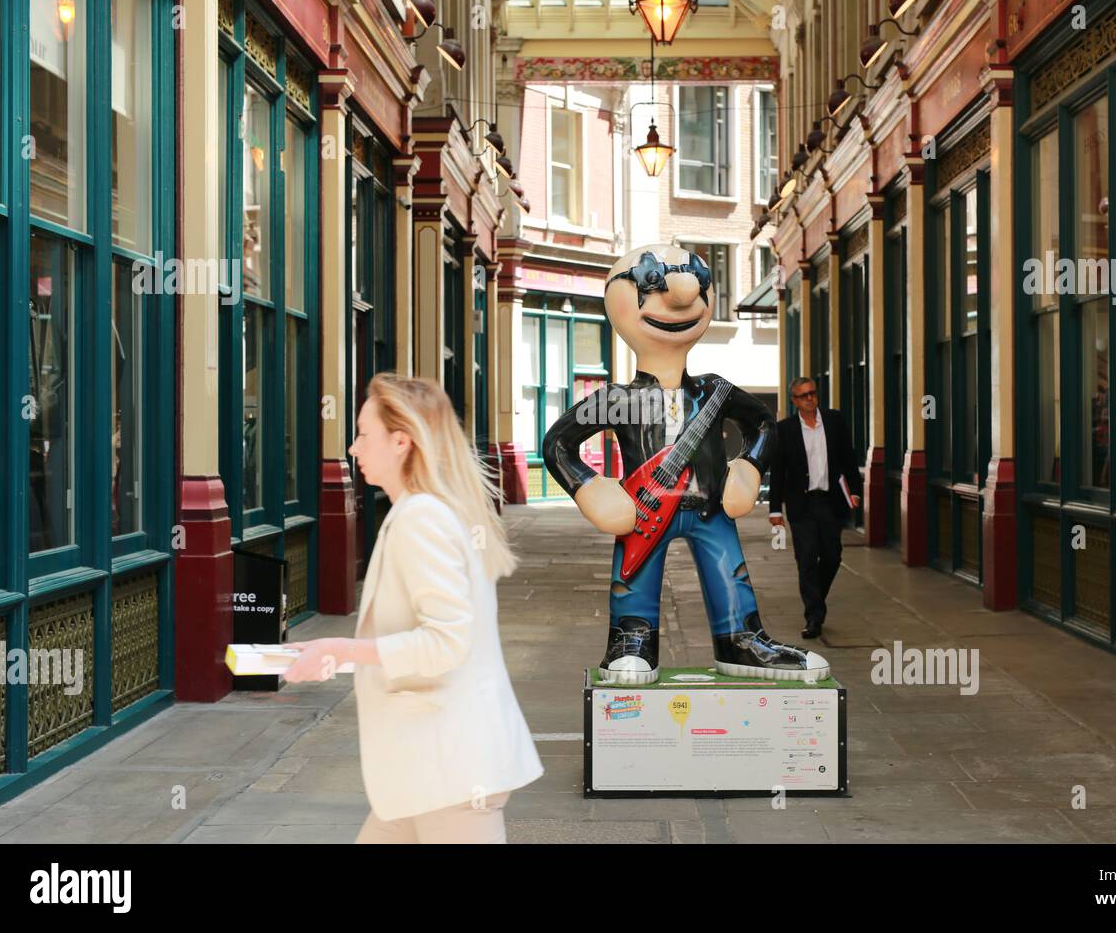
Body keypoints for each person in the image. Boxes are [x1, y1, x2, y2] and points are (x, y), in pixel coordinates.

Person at [543, 244, 829, 684]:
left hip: (709, 506)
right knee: (635, 574)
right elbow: (559, 443)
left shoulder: (714, 390)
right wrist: (592, 489)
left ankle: (741, 638)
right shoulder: (620, 400)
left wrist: (748, 468)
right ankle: (631, 637)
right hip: (645, 509)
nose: (681, 301)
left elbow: (763, 423)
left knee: (729, 571)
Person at [284, 373, 543, 843]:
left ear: (401, 441)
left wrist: (342, 649)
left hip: (448, 774)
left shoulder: (422, 518)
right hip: (422, 775)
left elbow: (446, 641)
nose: (354, 448)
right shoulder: (421, 512)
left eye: (364, 433)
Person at [768, 377, 861, 639]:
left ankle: (815, 598)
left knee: (832, 556)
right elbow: (778, 473)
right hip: (802, 504)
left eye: (813, 393)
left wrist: (854, 490)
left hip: (830, 502)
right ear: (795, 401)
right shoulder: (785, 430)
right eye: (804, 395)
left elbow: (848, 458)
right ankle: (814, 617)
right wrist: (775, 510)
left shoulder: (834, 421)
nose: (810, 398)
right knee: (806, 559)